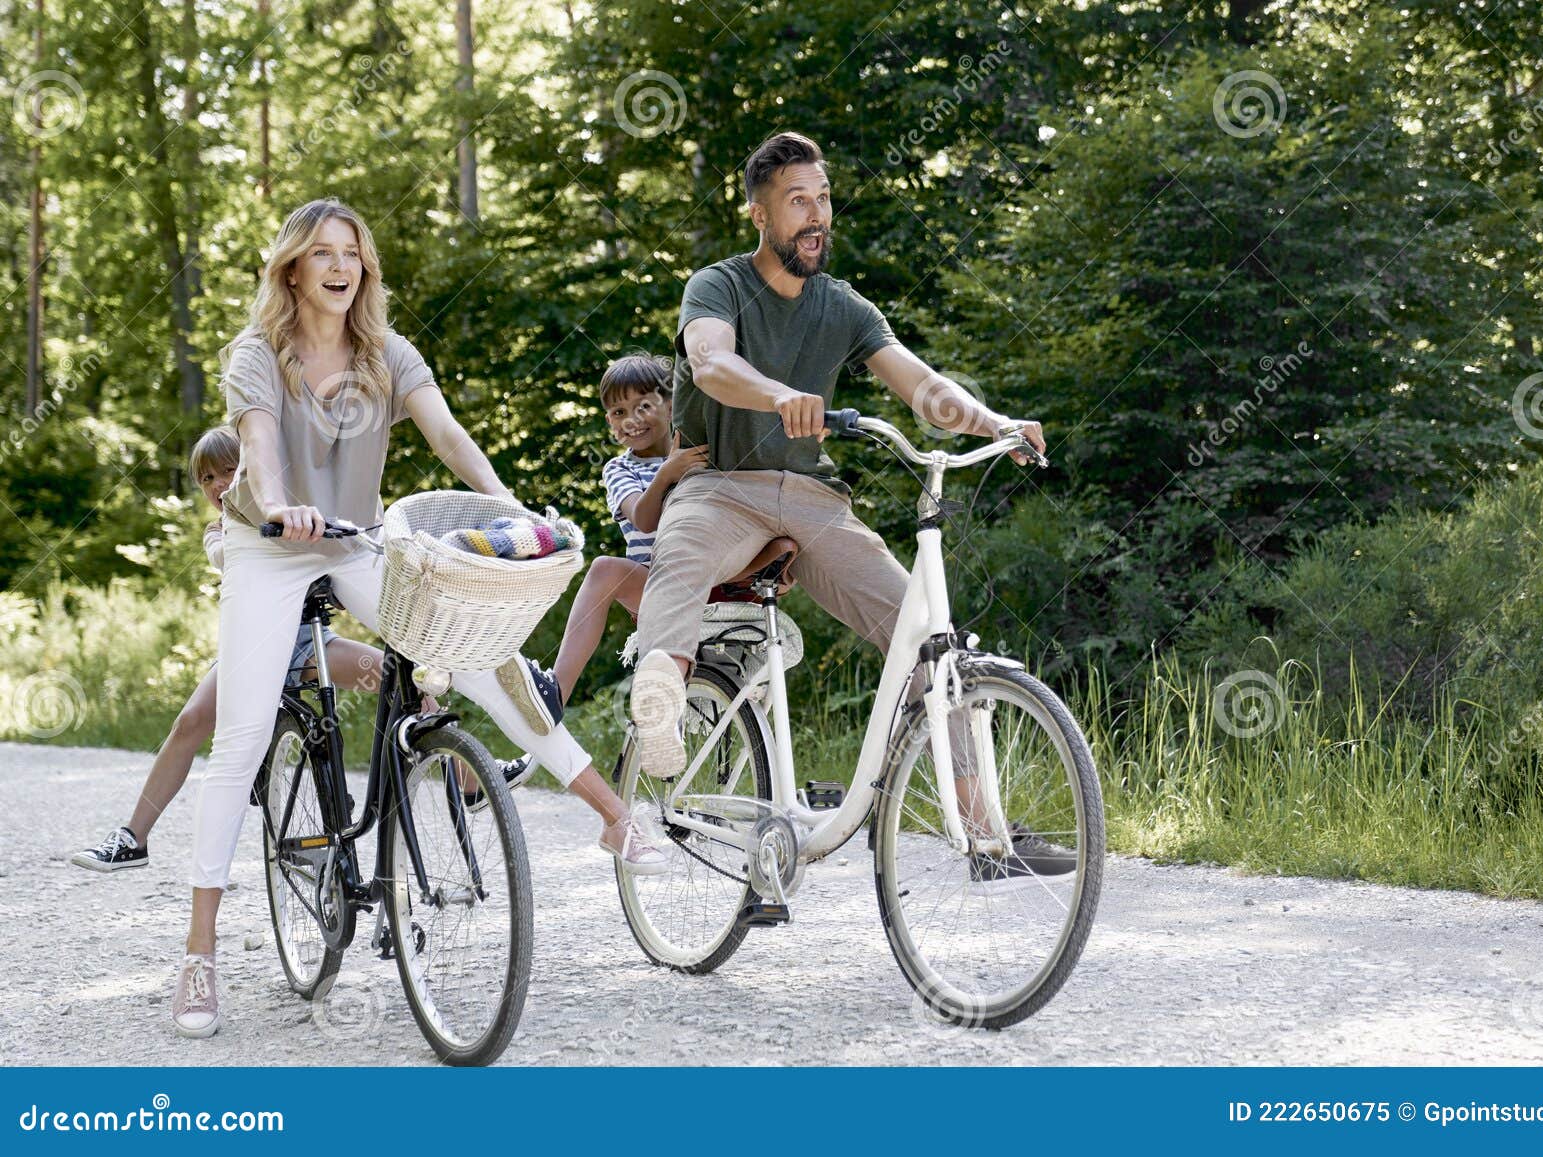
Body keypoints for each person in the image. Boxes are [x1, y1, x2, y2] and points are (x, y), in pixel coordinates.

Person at [172, 197, 663, 1041]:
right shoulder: (258, 354)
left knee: (480, 658)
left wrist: (508, 505)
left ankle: (616, 817)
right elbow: (259, 446)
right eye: (322, 252)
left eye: (353, 252)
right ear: (292, 269)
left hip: (356, 539)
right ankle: (198, 951)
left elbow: (447, 434)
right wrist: (281, 506)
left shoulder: (387, 354)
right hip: (271, 541)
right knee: (243, 734)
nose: (340, 266)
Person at [626, 131, 1072, 884]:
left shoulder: (841, 306)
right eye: (797, 201)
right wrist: (779, 396)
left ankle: (984, 835)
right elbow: (710, 362)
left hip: (811, 499)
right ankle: (661, 698)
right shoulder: (718, 285)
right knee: (683, 550)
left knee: (930, 641)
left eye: (823, 198)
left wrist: (994, 423)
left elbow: (924, 388)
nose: (816, 215)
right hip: (720, 483)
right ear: (760, 216)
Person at [71, 425, 473, 874]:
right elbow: (224, 556)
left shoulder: (301, 512)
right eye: (207, 479)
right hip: (251, 652)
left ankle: (471, 777)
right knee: (189, 723)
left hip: (307, 649)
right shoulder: (222, 531)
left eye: (229, 470)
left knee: (400, 676)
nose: (219, 485)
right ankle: (133, 837)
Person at [547, 355, 706, 704]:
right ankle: (554, 692)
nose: (631, 419)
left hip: (712, 575)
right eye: (619, 412)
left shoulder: (698, 452)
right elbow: (644, 519)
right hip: (656, 584)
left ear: (671, 404)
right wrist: (667, 473)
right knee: (604, 569)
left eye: (643, 406)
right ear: (609, 421)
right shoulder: (620, 470)